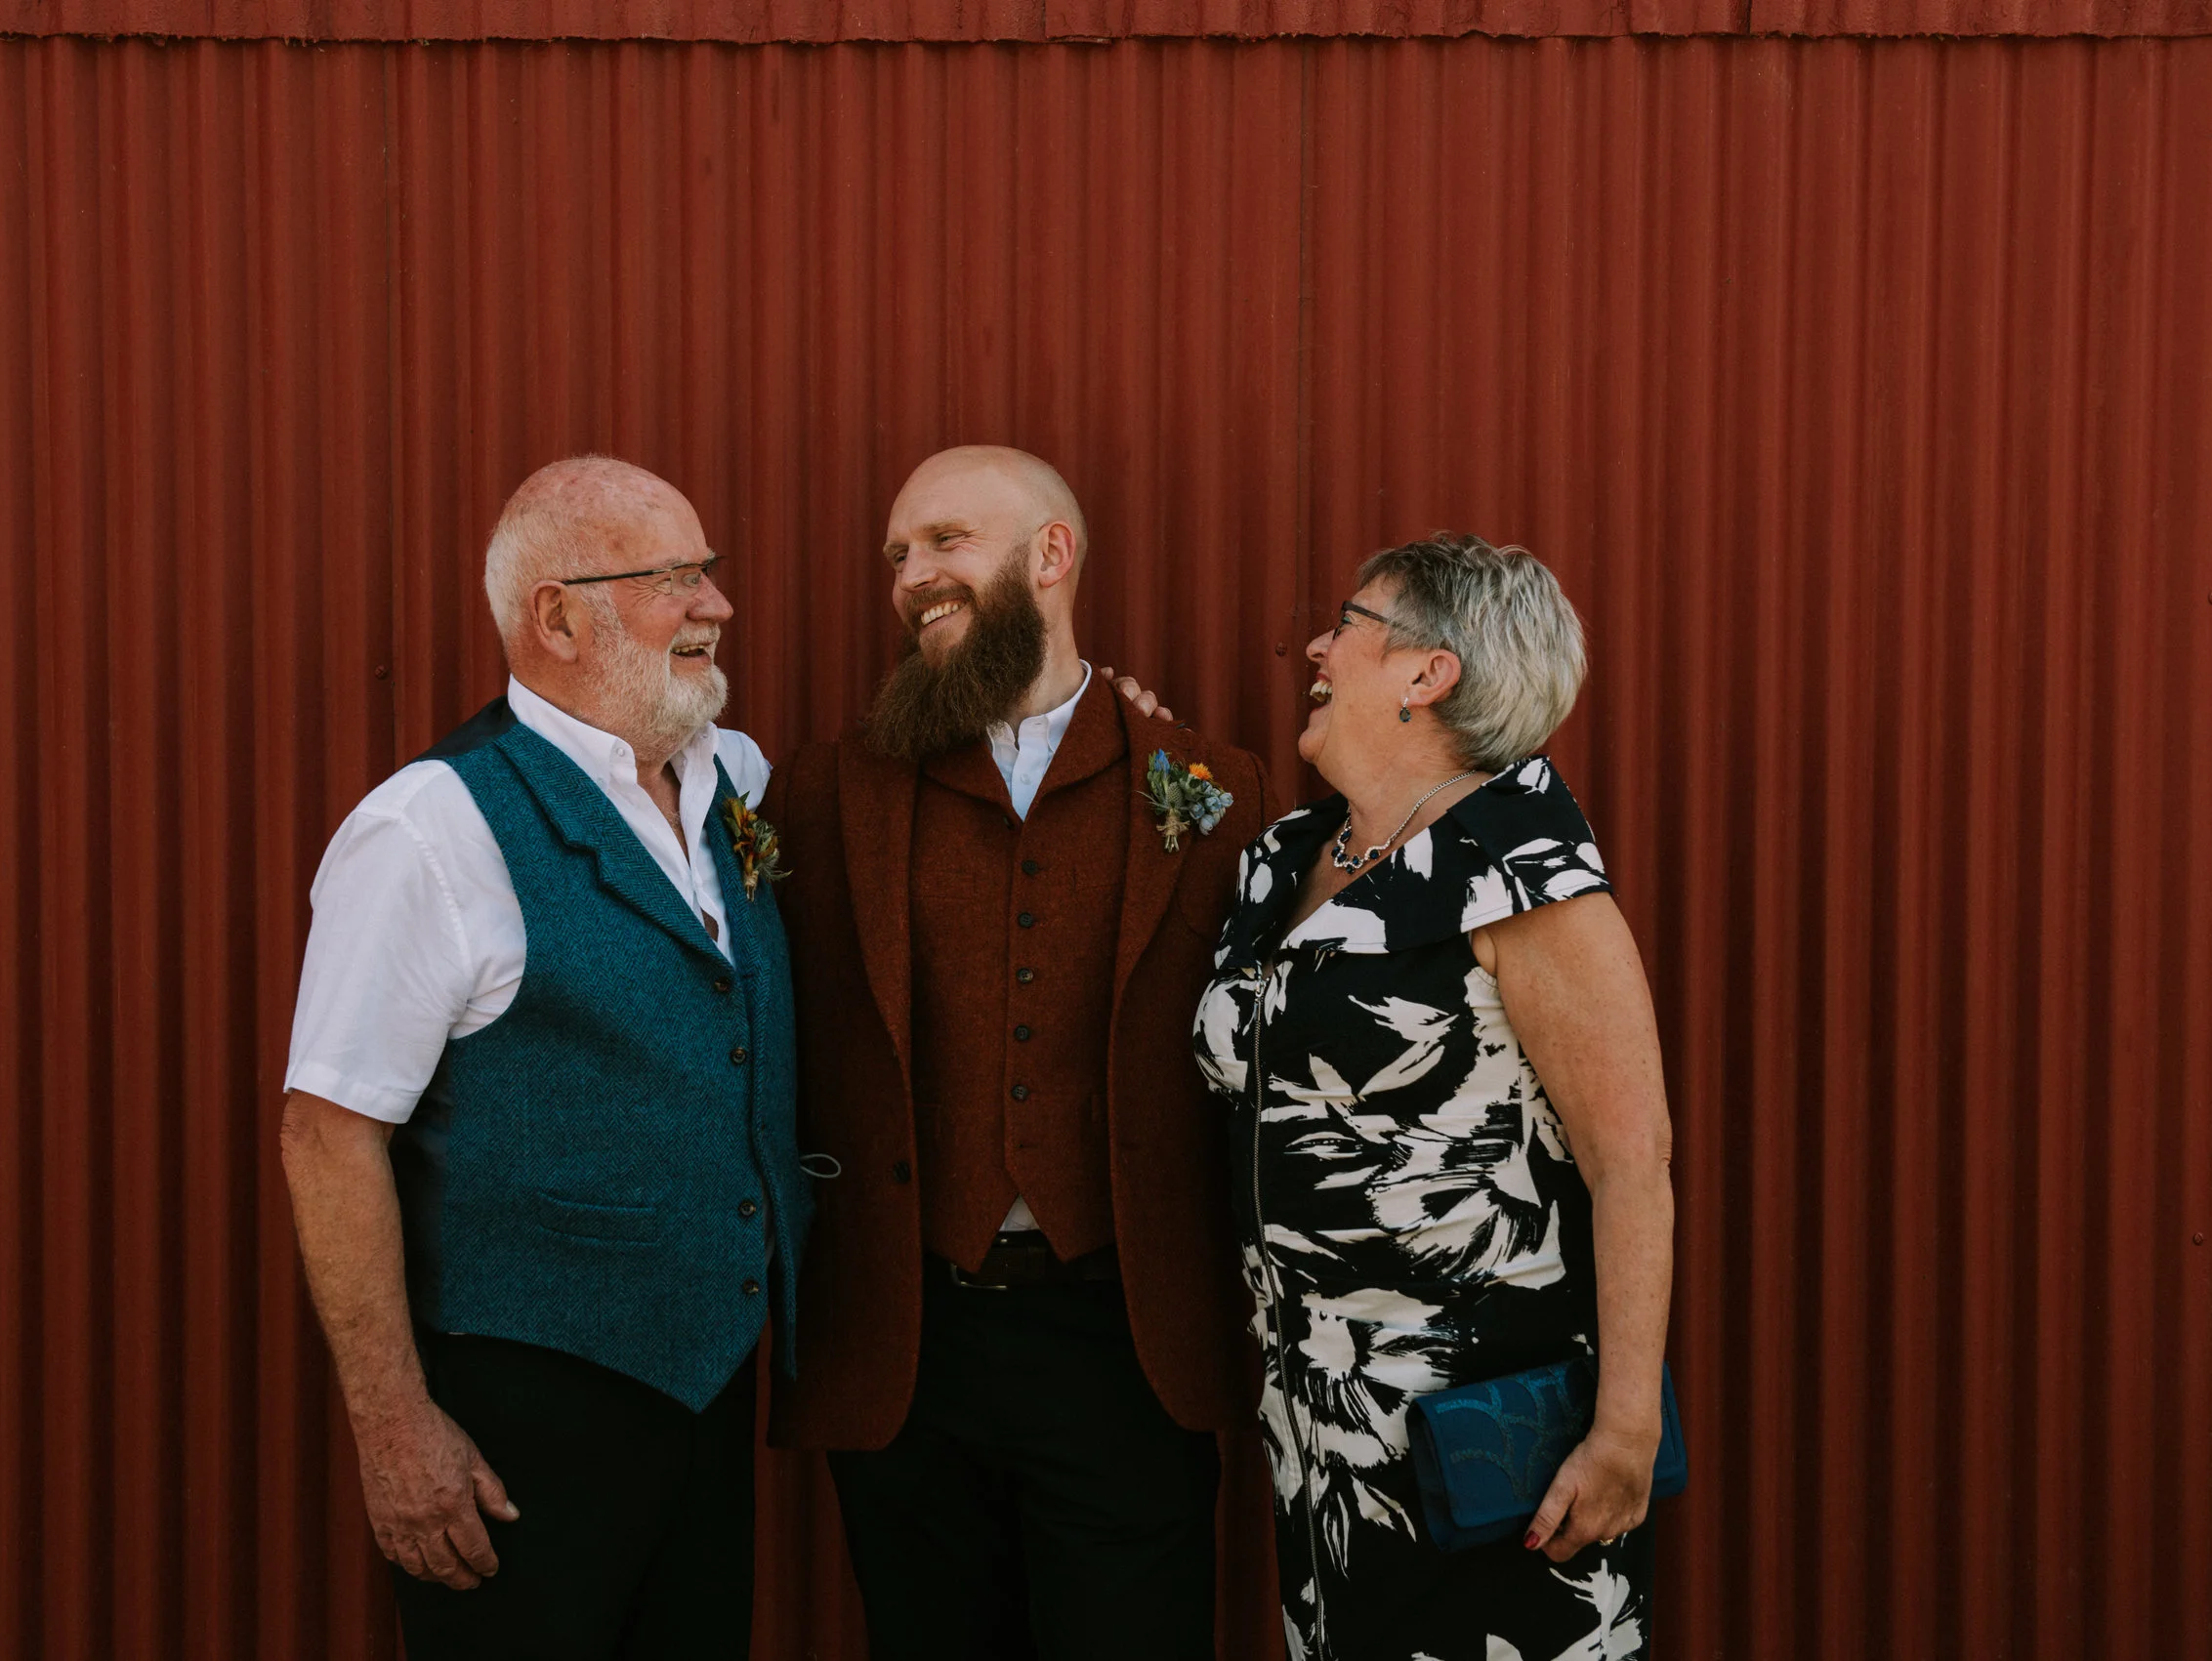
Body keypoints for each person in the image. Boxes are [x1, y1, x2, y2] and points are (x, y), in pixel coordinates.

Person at [276, 456, 812, 1660]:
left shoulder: (737, 776)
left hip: (713, 1388)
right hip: (519, 1414)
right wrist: (396, 1430)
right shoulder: (429, 829)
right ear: (558, 615)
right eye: (676, 578)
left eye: (709, 573)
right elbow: (327, 1134)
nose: (716, 606)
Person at [767, 445, 1281, 1659]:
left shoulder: (1215, 788)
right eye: (897, 554)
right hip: (905, 1349)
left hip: (1123, 1344)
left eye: (946, 541)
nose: (911, 575)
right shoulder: (822, 788)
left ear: (1051, 556)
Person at [1191, 534, 1676, 1660]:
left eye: (1348, 623)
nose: (1314, 645)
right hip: (1315, 1425)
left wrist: (1625, 1429)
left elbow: (1630, 1160)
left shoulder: (1525, 876)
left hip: (1491, 1445)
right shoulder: (1285, 858)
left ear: (1427, 672)